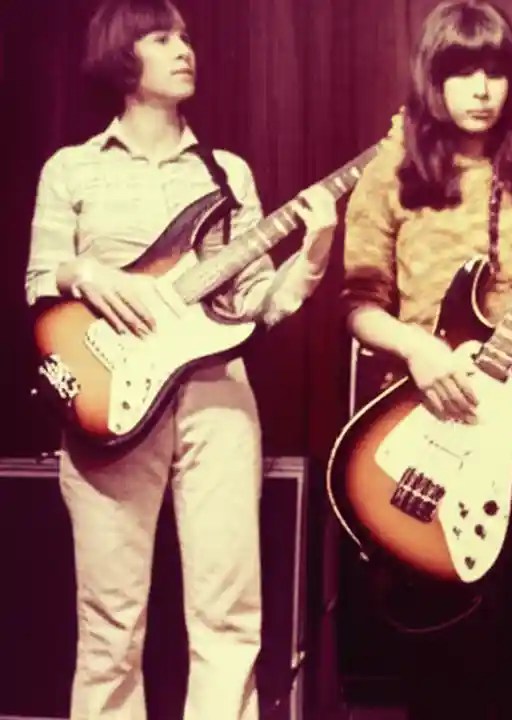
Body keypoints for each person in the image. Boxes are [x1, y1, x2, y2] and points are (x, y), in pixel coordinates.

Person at [23, 1, 338, 717]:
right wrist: (88, 275)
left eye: (186, 37)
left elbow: (261, 303)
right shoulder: (72, 168)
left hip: (216, 397)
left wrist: (315, 251)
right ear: (121, 54)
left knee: (229, 615)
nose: (183, 49)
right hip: (108, 394)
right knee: (110, 623)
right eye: (162, 38)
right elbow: (40, 277)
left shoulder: (226, 174)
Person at [340, 1, 512, 717]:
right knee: (436, 636)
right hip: (425, 427)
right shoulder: (390, 177)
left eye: (495, 72)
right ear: (432, 80)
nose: (481, 89)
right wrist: (420, 349)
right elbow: (359, 306)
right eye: (461, 71)